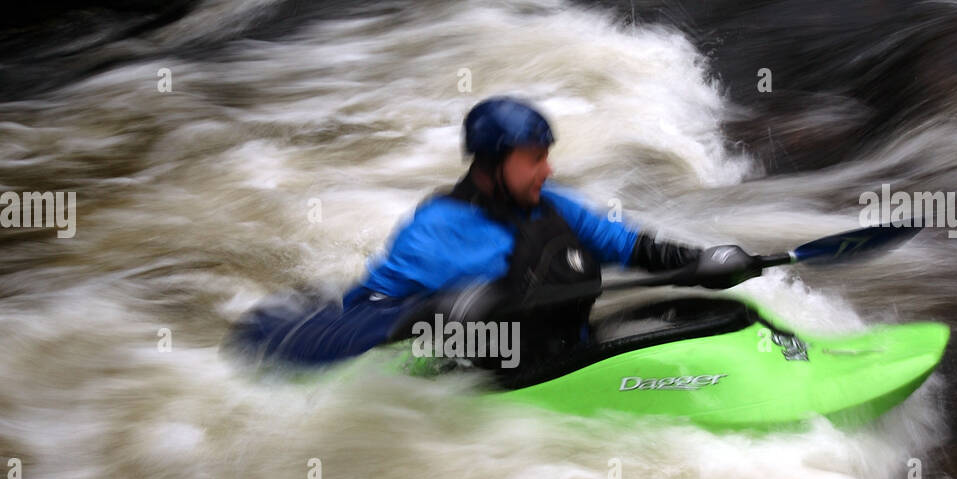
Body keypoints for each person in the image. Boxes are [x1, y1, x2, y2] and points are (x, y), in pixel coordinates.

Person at [232, 96, 760, 368]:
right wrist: (440, 312)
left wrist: (702, 262)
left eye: (545, 157)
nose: (546, 170)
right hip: (492, 380)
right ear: (490, 163)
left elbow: (633, 248)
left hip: (566, 351)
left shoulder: (555, 206)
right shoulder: (435, 233)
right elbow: (362, 312)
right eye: (534, 159)